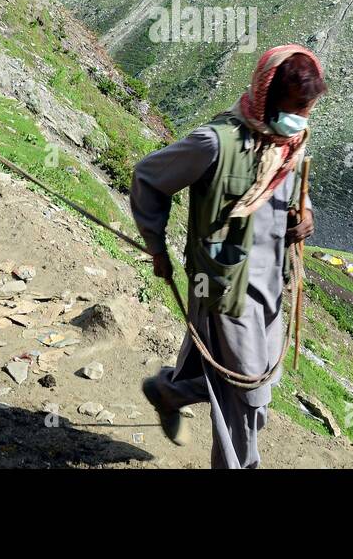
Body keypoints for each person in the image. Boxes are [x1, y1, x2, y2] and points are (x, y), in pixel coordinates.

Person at [133, 45, 325, 469]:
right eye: (295, 106)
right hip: (224, 290)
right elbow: (149, 177)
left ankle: (169, 392)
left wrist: (304, 217)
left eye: (307, 108)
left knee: (242, 378)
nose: (301, 118)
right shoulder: (215, 143)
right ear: (268, 94)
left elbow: (288, 199)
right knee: (249, 395)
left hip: (270, 289)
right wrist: (156, 245)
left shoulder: (287, 143)